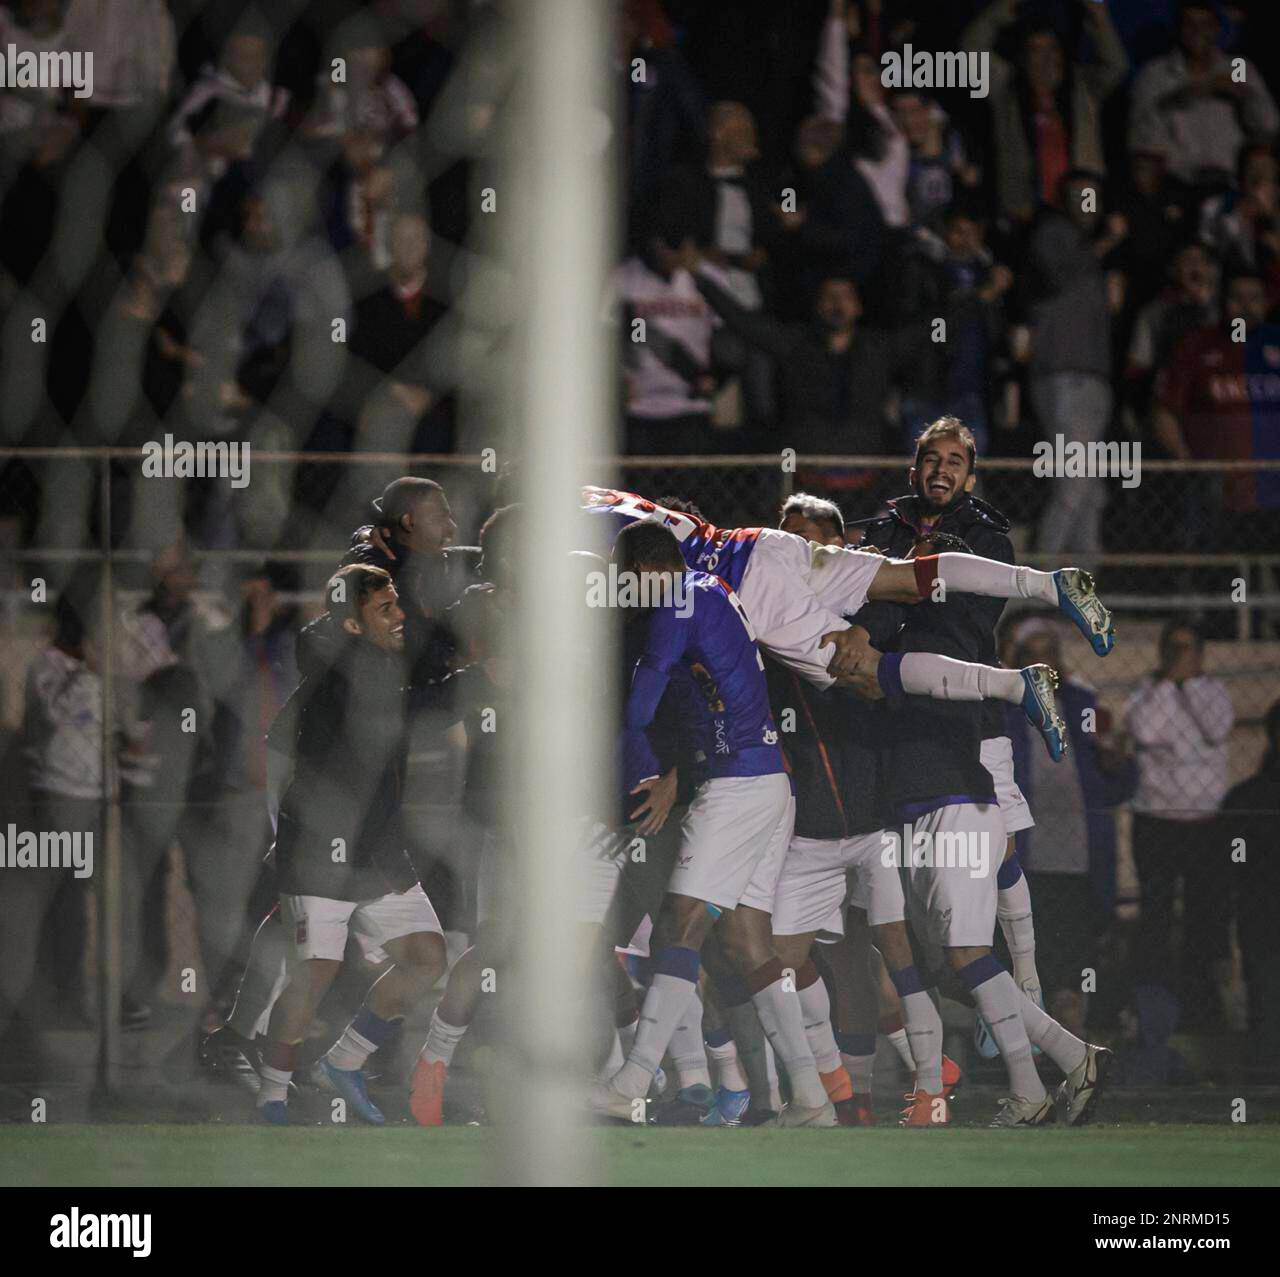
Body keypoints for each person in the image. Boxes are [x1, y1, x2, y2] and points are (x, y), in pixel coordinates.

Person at [589, 522, 834, 1126]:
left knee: (680, 923)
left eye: (624, 582)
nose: (622, 594)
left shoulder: (674, 598)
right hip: (770, 778)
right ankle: (810, 1097)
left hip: (738, 782)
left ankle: (632, 1078)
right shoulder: (714, 589)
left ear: (644, 572)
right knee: (749, 942)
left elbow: (641, 707)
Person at [255, 565, 465, 1125]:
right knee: (316, 972)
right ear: (352, 624)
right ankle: (271, 1095)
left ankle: (343, 1062)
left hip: (375, 848)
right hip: (323, 848)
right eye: (385, 609)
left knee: (427, 958)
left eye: (397, 603)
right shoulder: (340, 675)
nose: (399, 617)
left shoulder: (373, 664)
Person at [1124, 617, 1235, 1027]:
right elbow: (1145, 730)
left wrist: (1187, 687)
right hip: (1156, 819)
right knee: (1155, 914)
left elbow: (1215, 728)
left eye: (1187, 648)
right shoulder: (1149, 690)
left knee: (1204, 915)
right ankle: (1154, 1007)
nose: (1179, 656)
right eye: (1172, 648)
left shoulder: (1215, 693)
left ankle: (1201, 1006)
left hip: (1204, 823)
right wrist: (1170, 681)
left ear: (1202, 654)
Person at [1128, 0, 1278, 196]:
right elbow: (1140, 137)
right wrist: (1183, 96)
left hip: (1231, 184)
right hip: (1177, 185)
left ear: (1217, 29)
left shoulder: (1236, 68)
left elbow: (1269, 126)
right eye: (1190, 24)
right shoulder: (1156, 74)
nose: (1198, 31)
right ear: (1178, 29)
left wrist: (1245, 95)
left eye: (1206, 25)